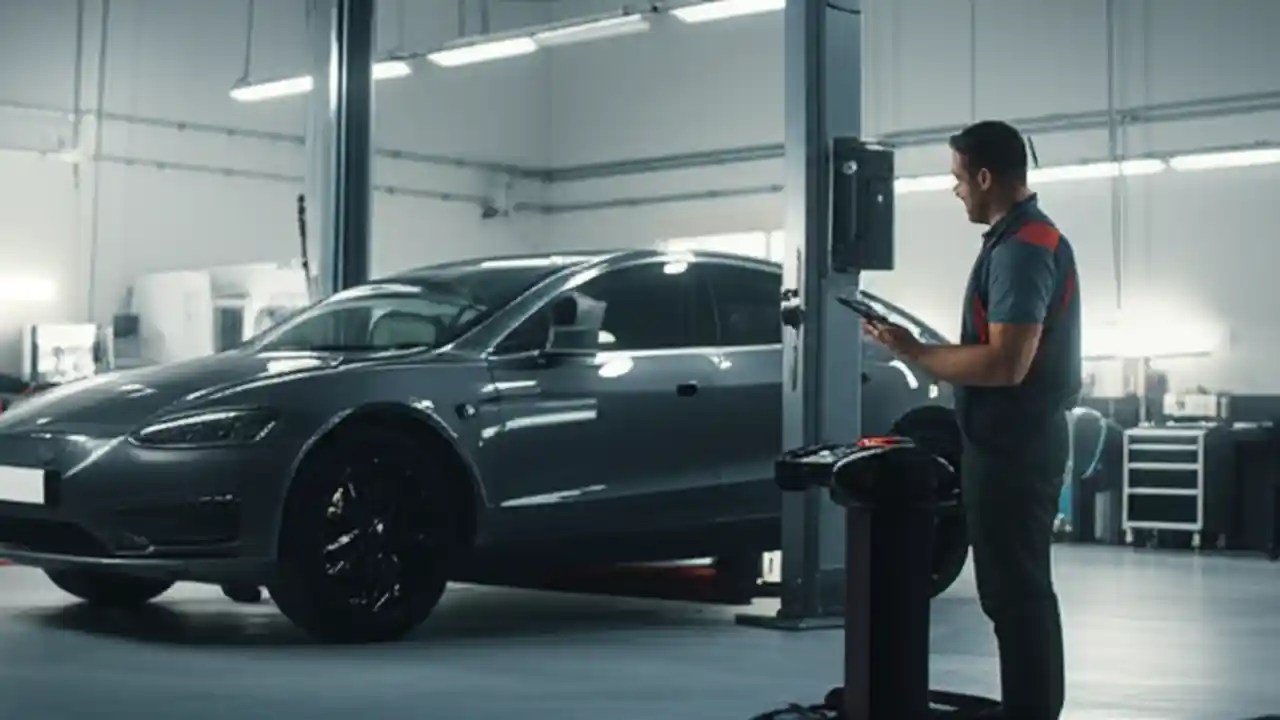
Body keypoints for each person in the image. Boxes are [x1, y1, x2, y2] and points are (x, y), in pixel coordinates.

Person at [864, 120, 1081, 719]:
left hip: (1016, 447)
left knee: (1017, 596)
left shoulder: (1023, 248)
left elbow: (1008, 364)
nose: (955, 189)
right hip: (1006, 441)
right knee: (1013, 595)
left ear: (984, 177)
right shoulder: (1016, 241)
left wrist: (914, 351)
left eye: (958, 177)